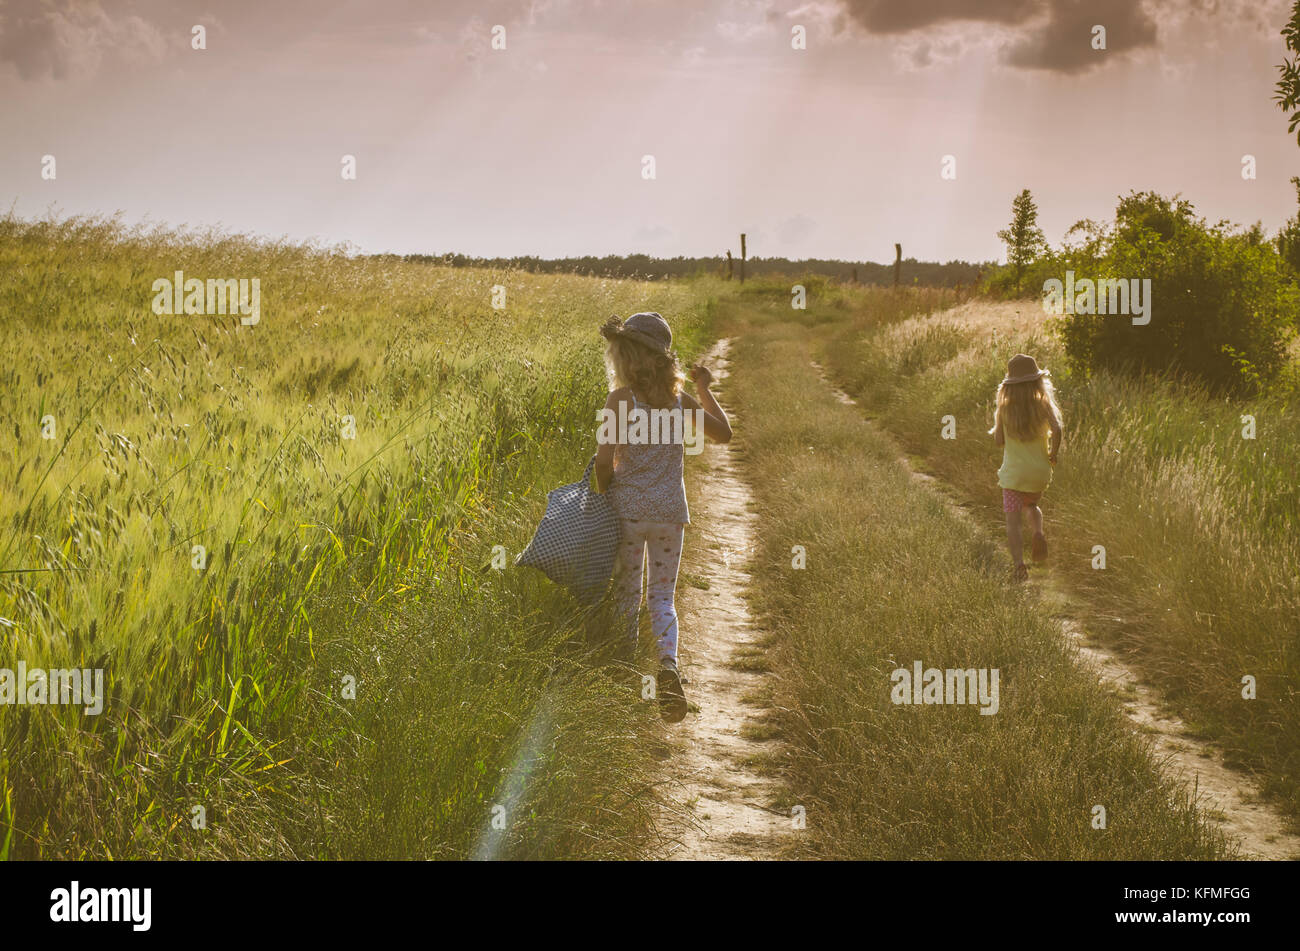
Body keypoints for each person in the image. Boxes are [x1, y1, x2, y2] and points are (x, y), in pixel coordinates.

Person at [593, 313, 731, 721]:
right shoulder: (678, 402)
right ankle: (668, 665)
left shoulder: (620, 401)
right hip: (670, 514)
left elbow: (603, 463)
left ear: (627, 357)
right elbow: (723, 434)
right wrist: (704, 389)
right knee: (662, 598)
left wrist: (602, 493)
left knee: (626, 594)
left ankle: (623, 674)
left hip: (628, 514)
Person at [989, 353, 1063, 582]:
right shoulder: (1043, 405)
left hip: (1013, 476)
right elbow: (1057, 429)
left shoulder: (1005, 408)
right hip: (1039, 473)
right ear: (1037, 381)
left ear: (1009, 386)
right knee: (1031, 504)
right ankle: (1038, 532)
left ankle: (1019, 566)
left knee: (1012, 522)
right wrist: (1053, 453)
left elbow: (999, 440)